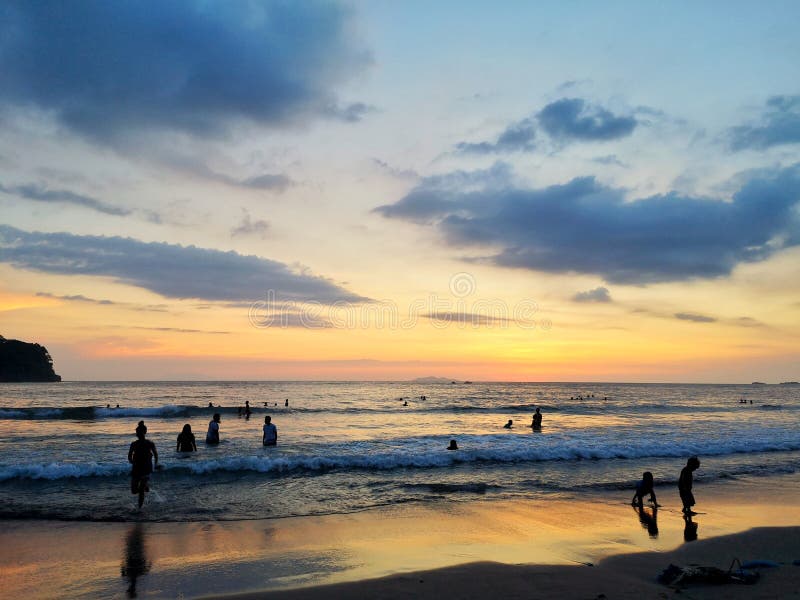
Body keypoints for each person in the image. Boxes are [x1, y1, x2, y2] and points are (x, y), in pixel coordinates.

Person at [128, 421, 158, 508]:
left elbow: (156, 455)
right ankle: (145, 487)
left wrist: (155, 465)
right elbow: (129, 456)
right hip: (136, 468)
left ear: (145, 432)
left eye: (140, 432)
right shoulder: (134, 444)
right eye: (137, 432)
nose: (138, 434)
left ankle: (139, 509)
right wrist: (131, 461)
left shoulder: (150, 443)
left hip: (146, 468)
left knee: (140, 489)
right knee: (134, 491)